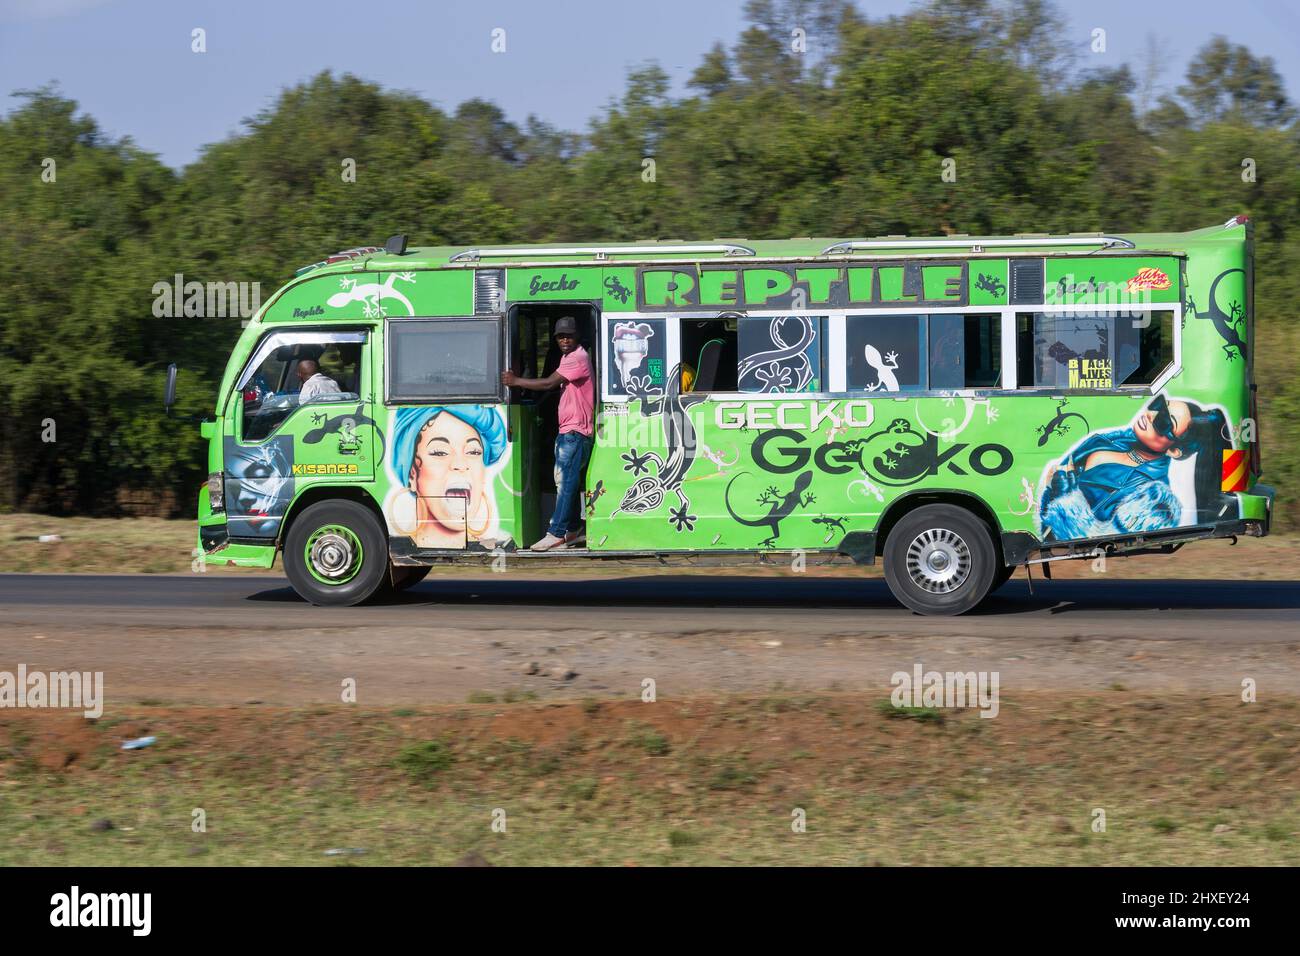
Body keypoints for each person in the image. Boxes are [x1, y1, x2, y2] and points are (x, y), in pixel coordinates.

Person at [1039, 393, 1228, 540]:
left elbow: (1087, 537)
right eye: (1158, 406)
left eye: (1163, 422)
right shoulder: (1111, 439)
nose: (1150, 415)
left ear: (1174, 451)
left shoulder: (1151, 500)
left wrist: (1064, 497)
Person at [501, 315, 595, 551]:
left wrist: (515, 381)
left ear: (577, 337)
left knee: (565, 483)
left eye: (569, 335)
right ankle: (572, 529)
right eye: (560, 336)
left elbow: (548, 384)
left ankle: (557, 532)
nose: (565, 339)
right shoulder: (569, 358)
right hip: (570, 430)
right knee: (568, 482)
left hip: (575, 431)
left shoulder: (577, 357)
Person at [388, 405, 510, 550]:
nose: (460, 464)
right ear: (412, 474)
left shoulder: (503, 539)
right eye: (440, 452)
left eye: (473, 451)